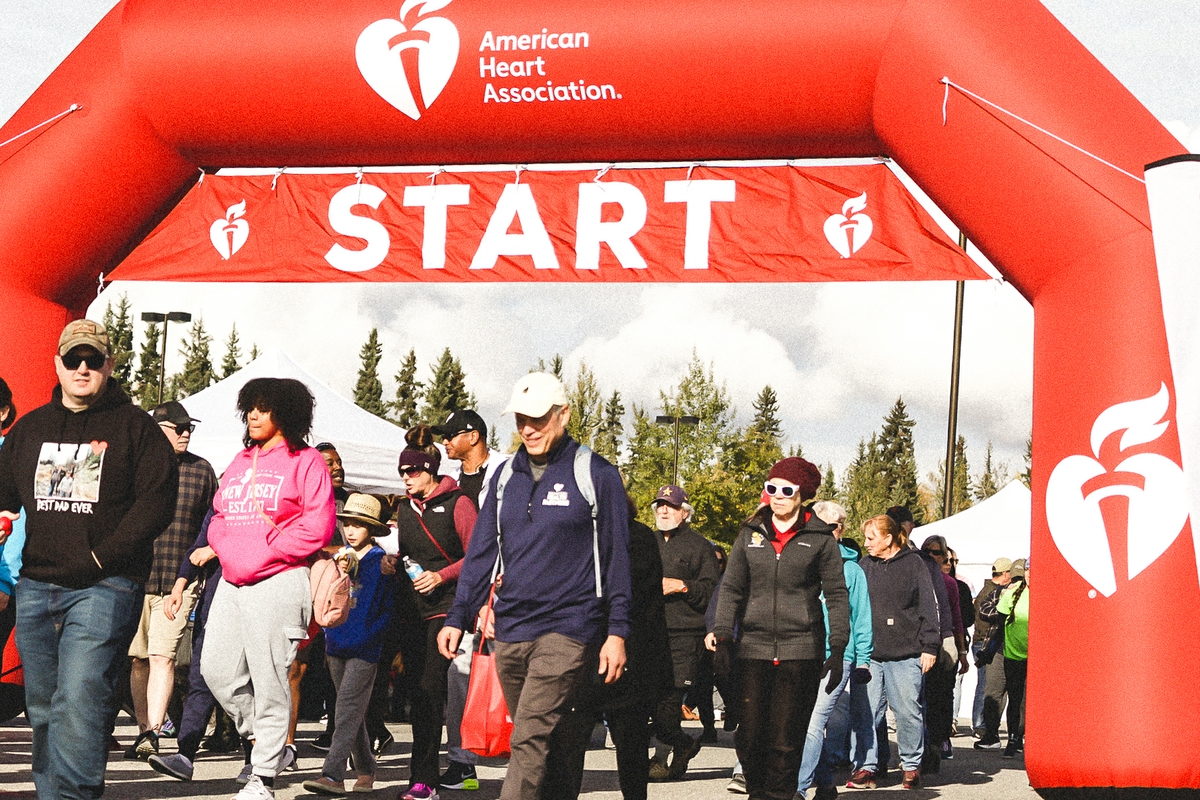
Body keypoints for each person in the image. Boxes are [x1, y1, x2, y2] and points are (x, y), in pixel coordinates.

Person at [0, 319, 179, 799]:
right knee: (42, 709)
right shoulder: (30, 428)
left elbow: (158, 500)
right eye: (73, 358)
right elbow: (5, 495)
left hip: (106, 586)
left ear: (109, 365)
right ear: (57, 364)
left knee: (79, 699)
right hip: (36, 586)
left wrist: (103, 559)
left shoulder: (135, 427)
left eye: (93, 359)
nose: (82, 367)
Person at [438, 371, 631, 800]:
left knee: (527, 736)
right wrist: (459, 615)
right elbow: (482, 552)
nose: (528, 428)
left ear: (563, 414)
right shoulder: (506, 477)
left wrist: (617, 631)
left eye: (539, 418)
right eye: (521, 418)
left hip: (570, 626)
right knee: (552, 742)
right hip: (511, 629)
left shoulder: (596, 474)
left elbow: (618, 559)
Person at [202, 377, 335, 800]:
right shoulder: (241, 460)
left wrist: (267, 551)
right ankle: (269, 740)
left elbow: (319, 524)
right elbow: (219, 515)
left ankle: (263, 778)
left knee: (271, 677)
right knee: (216, 671)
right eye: (250, 408)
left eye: (264, 407)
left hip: (279, 580)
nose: (253, 415)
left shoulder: (307, 461)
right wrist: (227, 549)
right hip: (232, 580)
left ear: (287, 413)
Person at [708, 456, 849, 800]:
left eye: (787, 490)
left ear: (803, 495)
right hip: (752, 649)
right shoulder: (749, 534)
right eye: (772, 488)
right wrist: (724, 635)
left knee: (786, 740)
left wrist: (838, 647)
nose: (779, 496)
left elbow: (836, 595)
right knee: (751, 736)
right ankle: (758, 794)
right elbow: (731, 588)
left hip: (800, 650)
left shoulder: (819, 538)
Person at [541, 496, 673, 800]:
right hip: (580, 656)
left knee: (630, 748)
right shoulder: (572, 535)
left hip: (625, 656)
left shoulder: (636, 537)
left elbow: (636, 599)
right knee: (567, 749)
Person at [126, 400, 217, 761]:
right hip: (135, 578)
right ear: (157, 429)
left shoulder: (202, 470)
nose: (185, 432)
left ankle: (152, 734)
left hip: (181, 581)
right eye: (177, 427)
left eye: (189, 427)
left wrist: (198, 570)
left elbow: (214, 524)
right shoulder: (135, 466)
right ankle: (143, 730)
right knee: (138, 660)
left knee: (162, 657)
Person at [387, 447, 477, 800]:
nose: (406, 477)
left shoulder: (460, 503)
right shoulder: (404, 507)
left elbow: (478, 557)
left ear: (430, 470)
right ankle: (425, 775)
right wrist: (392, 564)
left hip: (448, 605)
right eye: (401, 472)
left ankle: (424, 781)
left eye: (412, 471)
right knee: (416, 691)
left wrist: (441, 576)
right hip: (411, 607)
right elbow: (408, 553)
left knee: (429, 689)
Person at [433, 408, 508, 790]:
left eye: (450, 435)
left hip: (510, 596)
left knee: (520, 681)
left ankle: (533, 765)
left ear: (474, 435)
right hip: (468, 597)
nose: (444, 442)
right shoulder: (451, 485)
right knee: (459, 675)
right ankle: (463, 764)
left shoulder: (508, 473)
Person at [303, 494, 397, 795]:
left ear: (372, 529)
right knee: (350, 710)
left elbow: (389, 609)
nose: (351, 530)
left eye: (359, 525)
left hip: (366, 647)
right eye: (348, 524)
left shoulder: (382, 562)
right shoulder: (338, 558)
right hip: (336, 643)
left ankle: (332, 774)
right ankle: (367, 769)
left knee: (345, 707)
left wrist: (377, 639)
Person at [852, 514, 940, 791]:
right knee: (866, 712)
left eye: (871, 538)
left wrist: (930, 646)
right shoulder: (864, 566)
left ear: (888, 539)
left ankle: (911, 765)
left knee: (906, 711)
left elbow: (928, 606)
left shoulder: (914, 565)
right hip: (869, 653)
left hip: (907, 652)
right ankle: (866, 766)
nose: (866, 543)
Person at [797, 500, 873, 800]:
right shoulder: (803, 560)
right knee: (804, 719)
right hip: (804, 650)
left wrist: (863, 659)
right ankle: (827, 783)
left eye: (834, 527)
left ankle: (798, 790)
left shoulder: (852, 571)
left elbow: (862, 617)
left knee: (814, 721)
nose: (830, 532)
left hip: (839, 656)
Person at [647, 484, 717, 781]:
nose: (664, 510)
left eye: (671, 506)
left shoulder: (700, 546)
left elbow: (712, 592)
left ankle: (661, 759)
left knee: (670, 704)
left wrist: (681, 585)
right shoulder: (646, 542)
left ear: (684, 512)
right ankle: (683, 745)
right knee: (651, 701)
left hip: (685, 635)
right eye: (660, 505)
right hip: (649, 632)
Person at [917, 534, 966, 770]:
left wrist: (962, 652)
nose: (930, 556)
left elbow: (956, 618)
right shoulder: (914, 577)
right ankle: (920, 749)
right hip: (917, 646)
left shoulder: (948, 583)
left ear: (944, 556)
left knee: (939, 698)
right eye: (926, 550)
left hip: (942, 646)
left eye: (935, 552)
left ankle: (936, 744)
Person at [973, 558, 1013, 749]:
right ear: (1006, 574)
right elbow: (983, 616)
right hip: (990, 645)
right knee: (989, 689)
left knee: (993, 689)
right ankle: (984, 728)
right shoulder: (994, 592)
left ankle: (987, 728)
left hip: (991, 644)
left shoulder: (987, 590)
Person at [993, 557, 1029, 760]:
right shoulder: (1013, 592)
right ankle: (1013, 739)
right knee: (1015, 699)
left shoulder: (1047, 593)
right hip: (1013, 654)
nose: (1030, 574)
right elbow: (999, 622)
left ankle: (1025, 737)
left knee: (1029, 701)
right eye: (1027, 570)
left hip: (1037, 658)